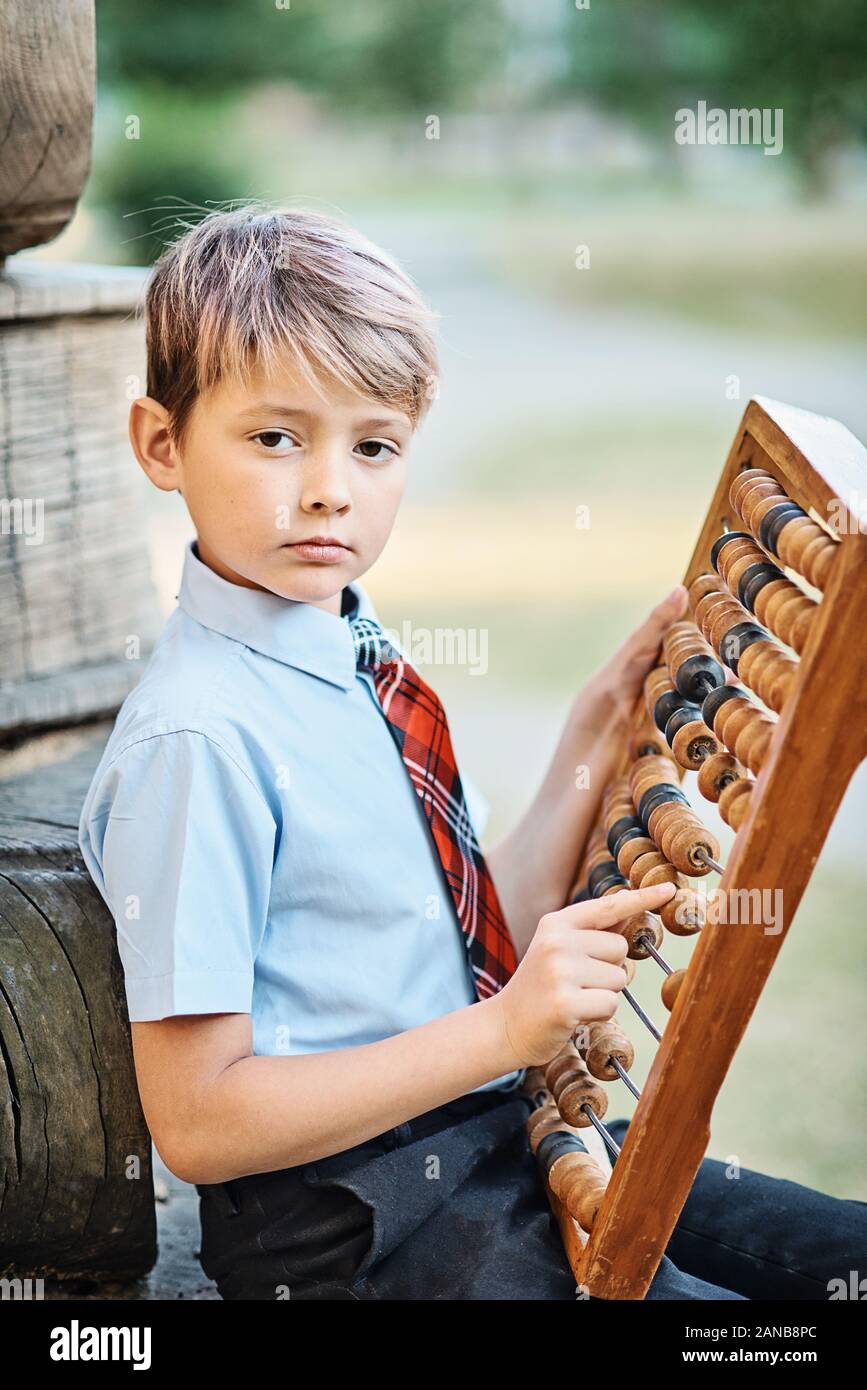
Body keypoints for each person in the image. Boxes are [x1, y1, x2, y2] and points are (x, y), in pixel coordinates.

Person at [78, 205, 866, 1301]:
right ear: (162, 443)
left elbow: (458, 935)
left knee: (842, 1252)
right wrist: (504, 1029)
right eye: (275, 436)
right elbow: (201, 1122)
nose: (329, 488)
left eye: (373, 445)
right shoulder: (200, 738)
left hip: (490, 1126)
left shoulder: (349, 645)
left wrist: (590, 744)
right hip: (351, 1223)